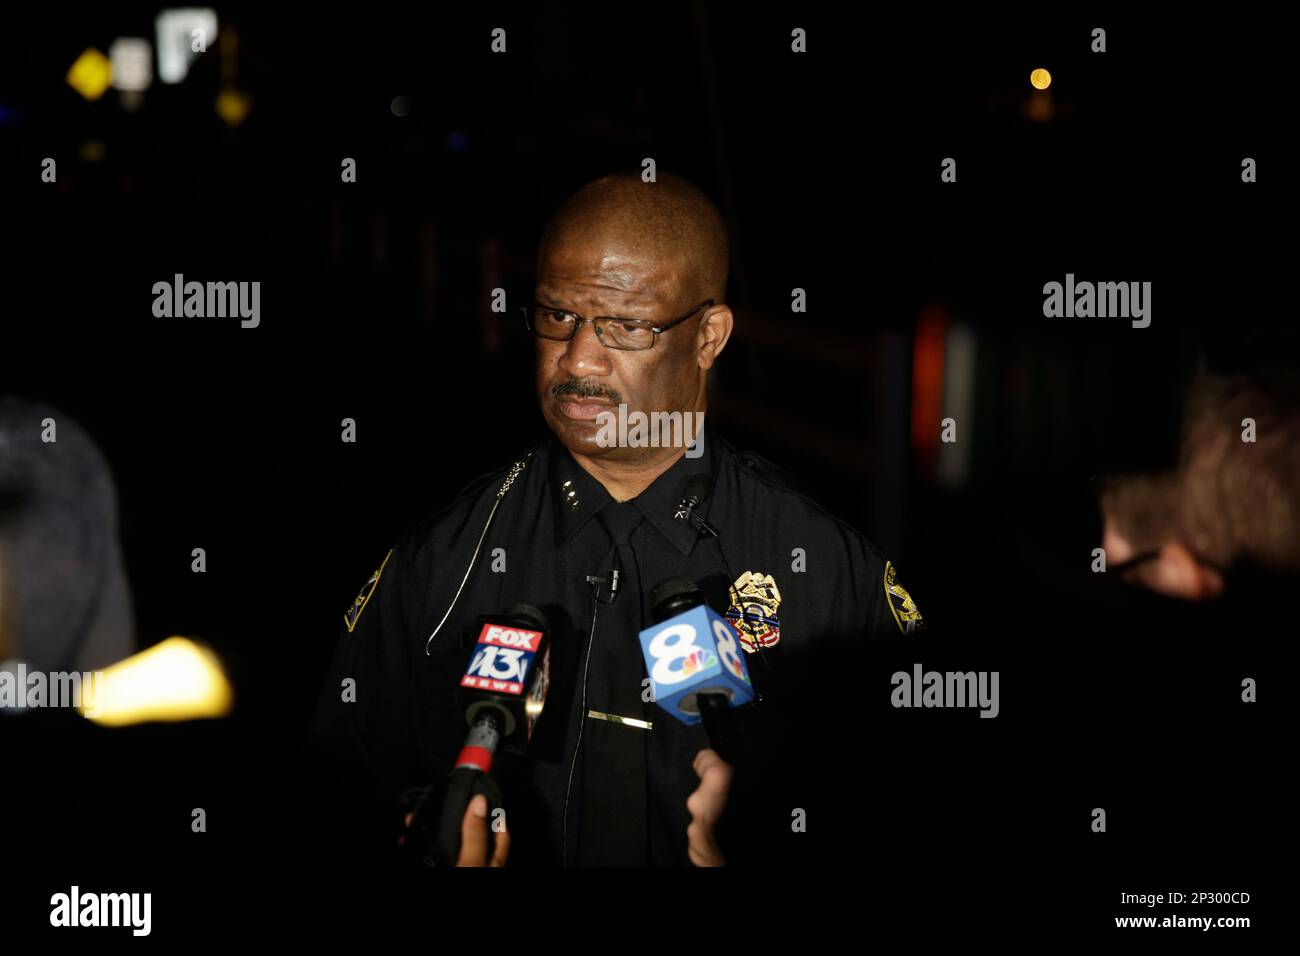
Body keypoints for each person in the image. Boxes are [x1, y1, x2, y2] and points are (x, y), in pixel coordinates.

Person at [311, 169, 922, 867]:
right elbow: (339, 793)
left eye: (626, 325)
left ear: (709, 336)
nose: (578, 358)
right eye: (556, 316)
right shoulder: (443, 561)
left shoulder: (828, 573)